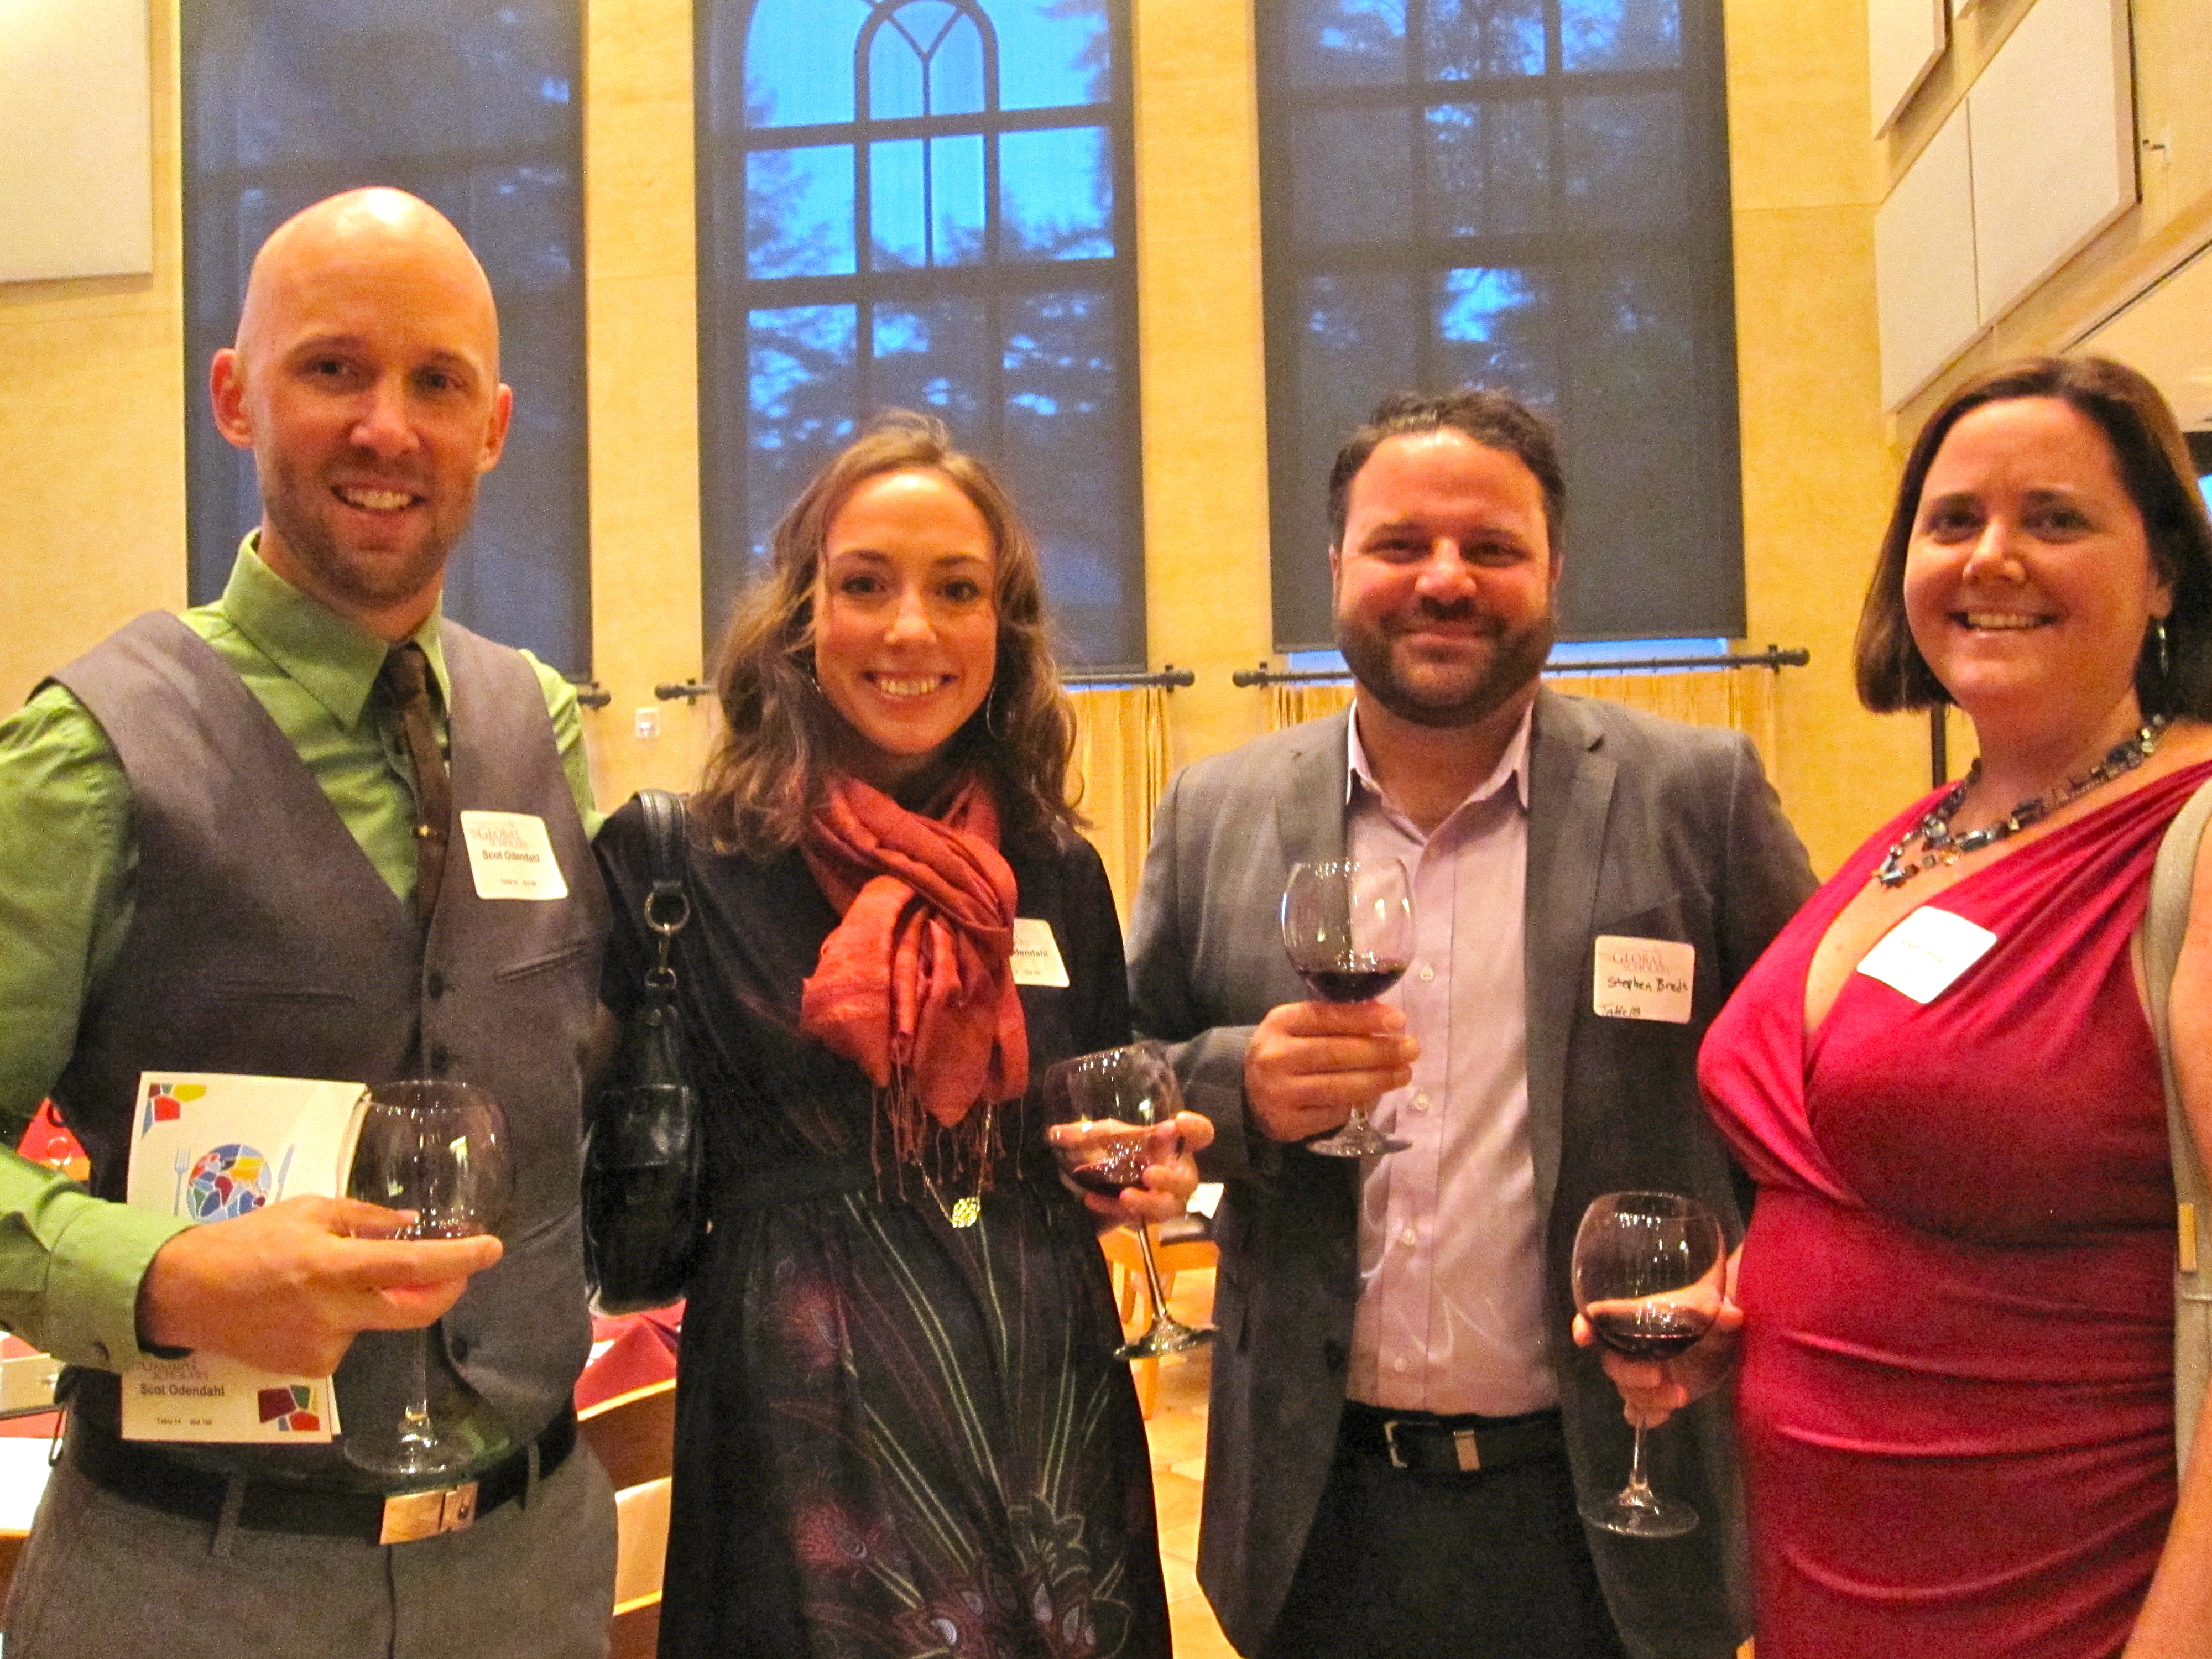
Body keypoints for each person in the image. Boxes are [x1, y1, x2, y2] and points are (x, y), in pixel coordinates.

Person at [0, 187, 614, 1656]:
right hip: (196, 1587)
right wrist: (156, 1276)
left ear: (496, 426)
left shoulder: (546, 727)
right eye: (333, 368)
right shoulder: (88, 752)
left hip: (527, 1578)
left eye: (436, 381)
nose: (387, 427)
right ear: (235, 395)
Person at [1126, 387, 1817, 1659]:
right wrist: (1236, 1091)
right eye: (1399, 546)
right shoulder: (1210, 811)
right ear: (1335, 568)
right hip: (1311, 1518)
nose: (1443, 581)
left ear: (1552, 570)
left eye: (1490, 549)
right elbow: (1121, 1083)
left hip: (1615, 1501)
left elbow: (1822, 1101)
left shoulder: (1694, 798)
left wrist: (1749, 1291)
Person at [1611, 356, 2212, 1658]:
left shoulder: (2195, 836)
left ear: (2163, 569)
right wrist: (1742, 1307)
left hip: (2063, 1592)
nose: (1991, 559)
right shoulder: (1926, 834)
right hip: (1819, 1581)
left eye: (2053, 519)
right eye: (1952, 522)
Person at [593, 412, 1204, 1658]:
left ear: (1004, 627)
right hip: (800, 1439)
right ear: (801, 616)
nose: (910, 629)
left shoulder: (1054, 870)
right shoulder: (685, 864)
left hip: (1045, 1423)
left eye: (956, 589)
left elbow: (1093, 1119)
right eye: (864, 584)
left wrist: (1145, 1170)